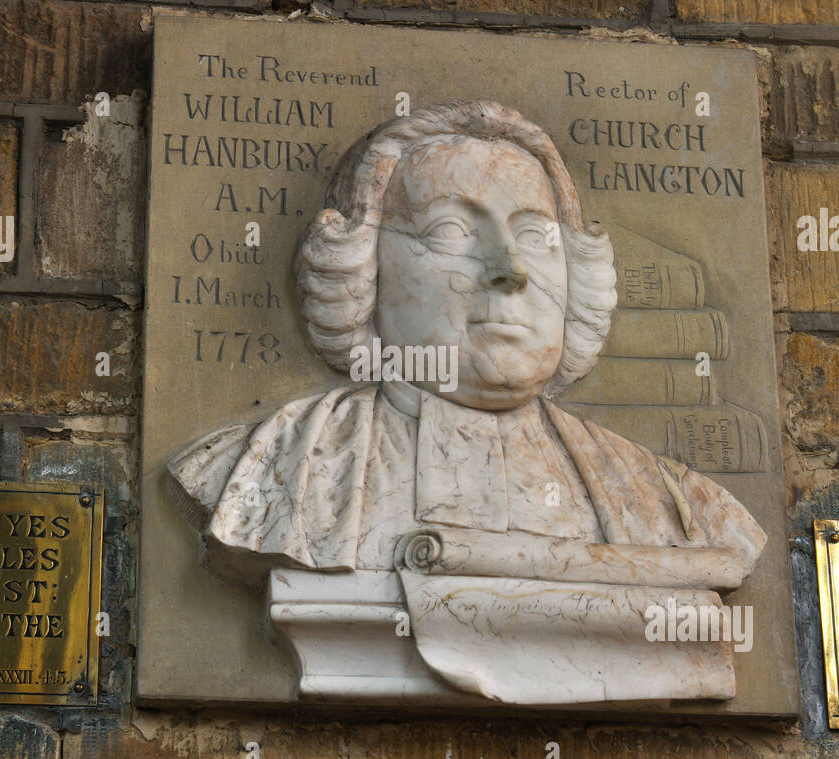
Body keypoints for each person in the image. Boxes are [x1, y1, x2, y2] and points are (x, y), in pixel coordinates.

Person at [168, 99, 765, 703]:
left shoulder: (671, 500)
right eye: (450, 230)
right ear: (362, 265)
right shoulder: (270, 469)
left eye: (534, 234)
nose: (509, 269)